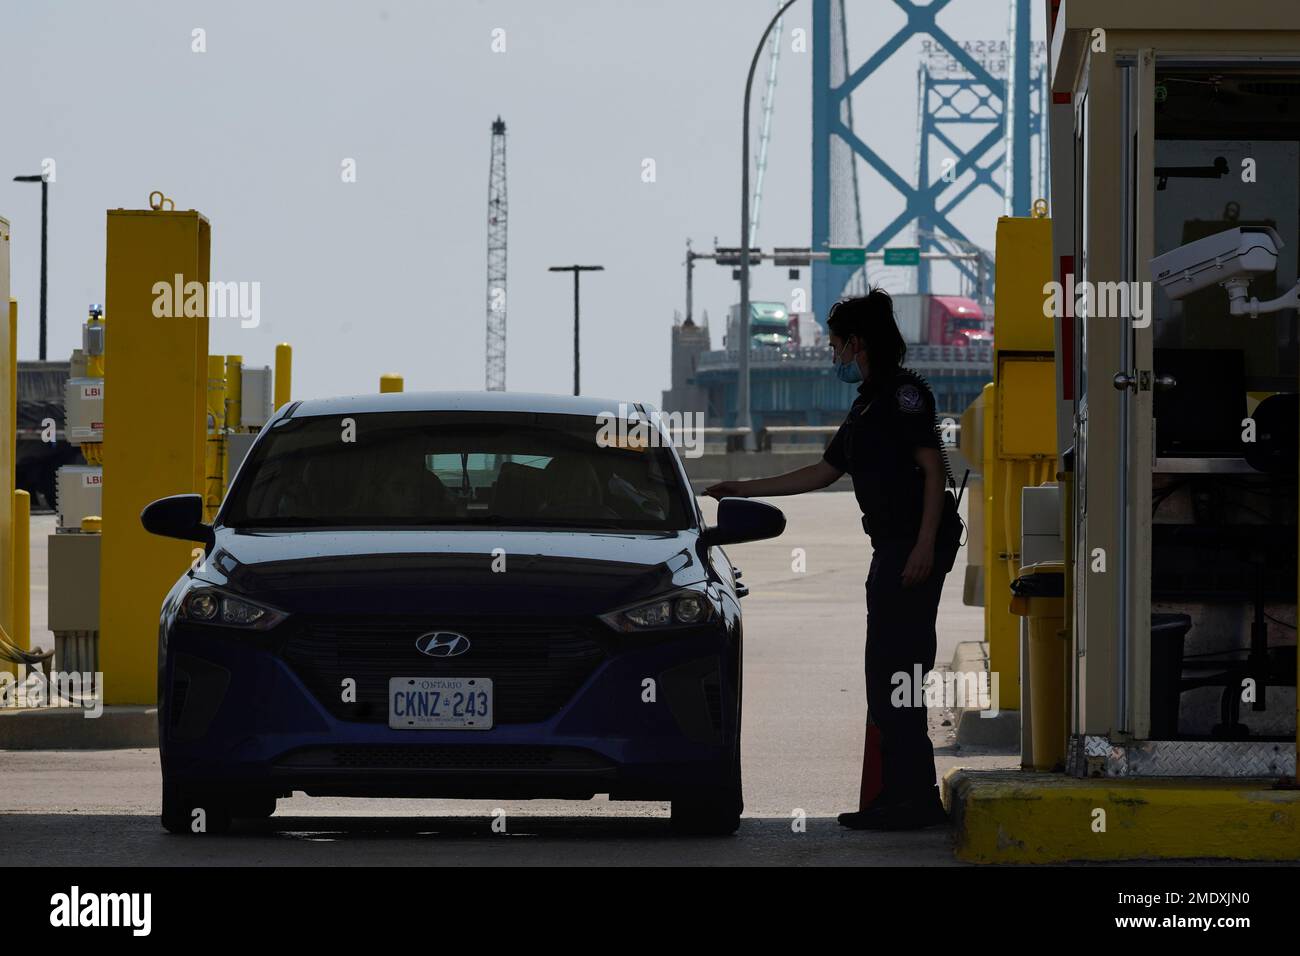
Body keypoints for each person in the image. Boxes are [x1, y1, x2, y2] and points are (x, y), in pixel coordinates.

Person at [705, 288, 961, 830]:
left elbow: (934, 471)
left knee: (902, 670)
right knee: (884, 672)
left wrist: (921, 546)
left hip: (913, 549)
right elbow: (822, 473)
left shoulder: (903, 396)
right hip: (890, 548)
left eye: (836, 343)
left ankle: (913, 802)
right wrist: (742, 488)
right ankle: (899, 796)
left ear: (857, 343)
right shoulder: (866, 403)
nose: (833, 353)